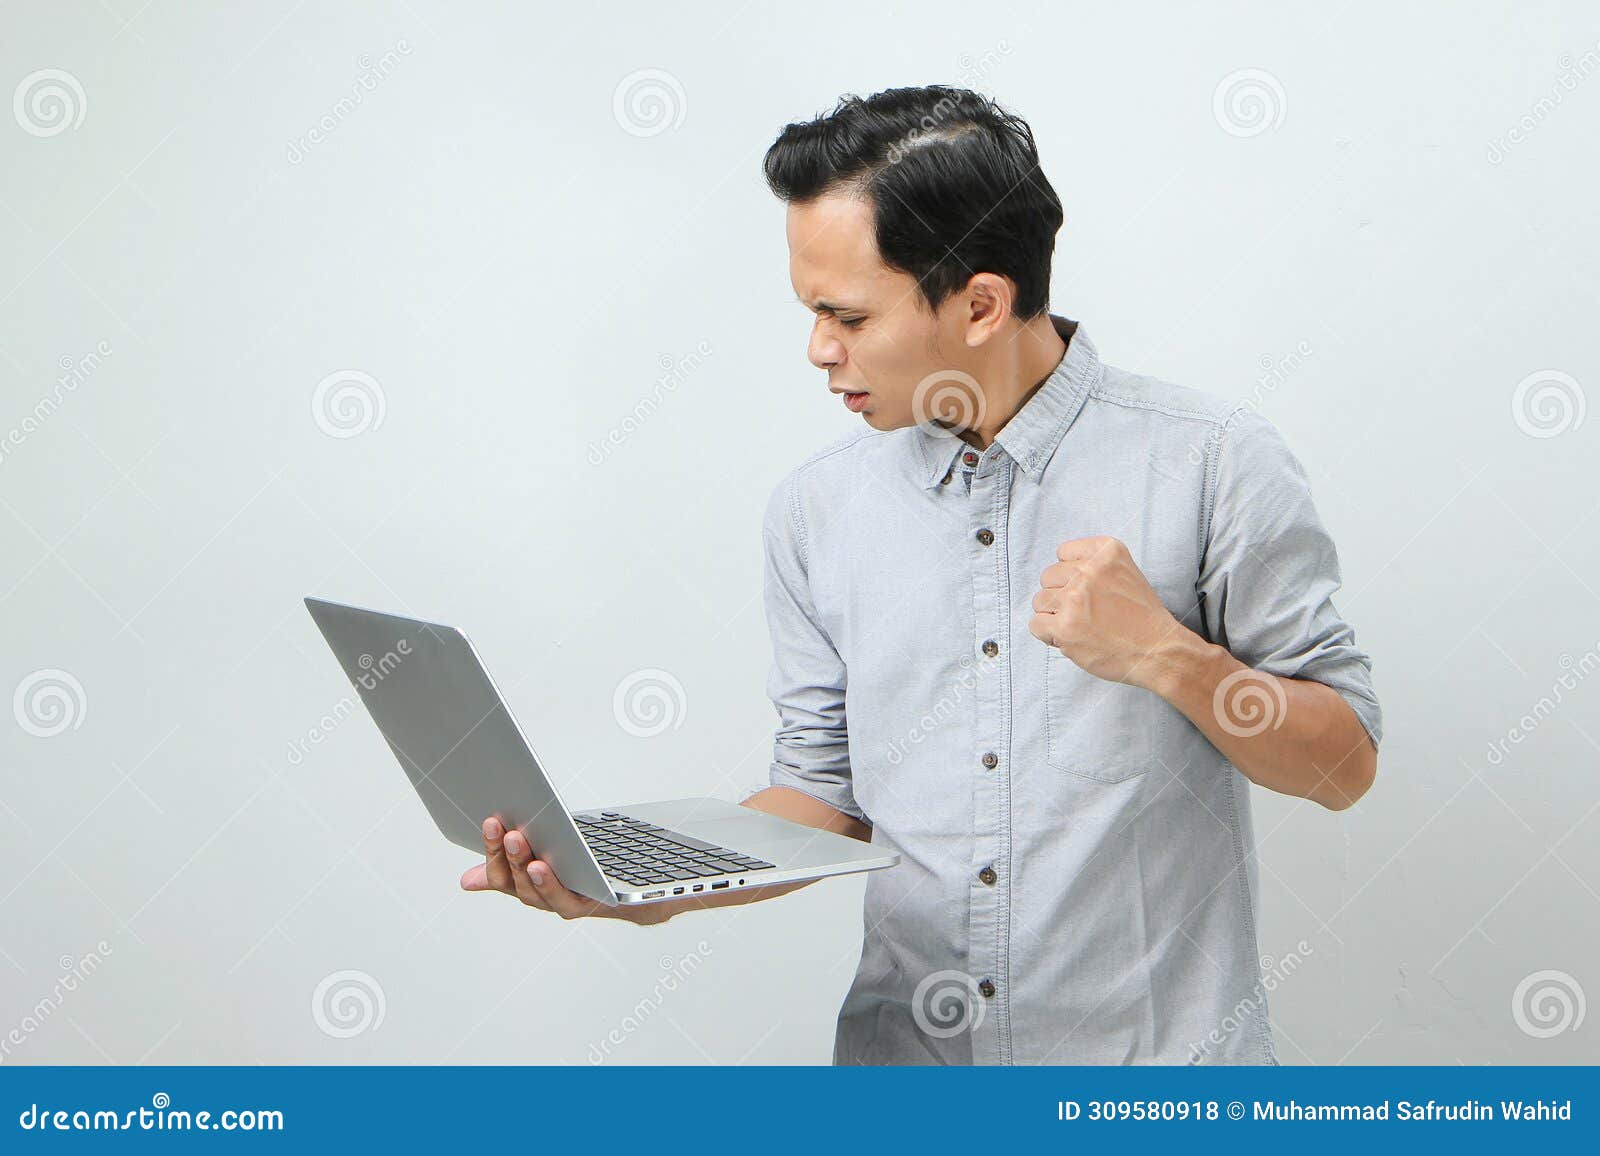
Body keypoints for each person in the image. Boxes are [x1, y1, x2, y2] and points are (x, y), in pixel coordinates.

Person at [461, 85, 1381, 1065]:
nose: (818, 349)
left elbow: (1342, 767)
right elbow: (820, 800)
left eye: (846, 315)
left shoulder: (1212, 461)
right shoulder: (817, 508)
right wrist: (639, 884)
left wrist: (1166, 656)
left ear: (979, 303)